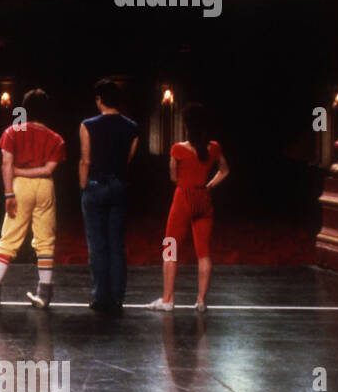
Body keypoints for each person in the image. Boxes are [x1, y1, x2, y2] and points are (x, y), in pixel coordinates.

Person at [0, 89, 65, 310]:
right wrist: (30, 173)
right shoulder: (56, 138)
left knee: (8, 239)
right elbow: (49, 168)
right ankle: (45, 293)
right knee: (45, 240)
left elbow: (7, 165)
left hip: (20, 188)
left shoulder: (12, 132)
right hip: (45, 187)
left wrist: (9, 192)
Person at [147, 102, 230, 312]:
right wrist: (208, 185)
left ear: (186, 126)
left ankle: (167, 299)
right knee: (204, 253)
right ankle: (201, 301)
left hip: (183, 199)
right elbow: (225, 170)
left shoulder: (178, 149)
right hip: (204, 199)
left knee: (170, 248)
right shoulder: (214, 147)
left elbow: (174, 177)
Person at [79, 78, 140, 314]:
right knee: (116, 244)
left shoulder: (88, 125)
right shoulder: (132, 127)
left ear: (99, 100)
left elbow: (86, 159)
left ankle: (100, 297)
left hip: (95, 184)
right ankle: (117, 298)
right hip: (119, 185)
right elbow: (127, 159)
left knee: (97, 245)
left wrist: (84, 185)